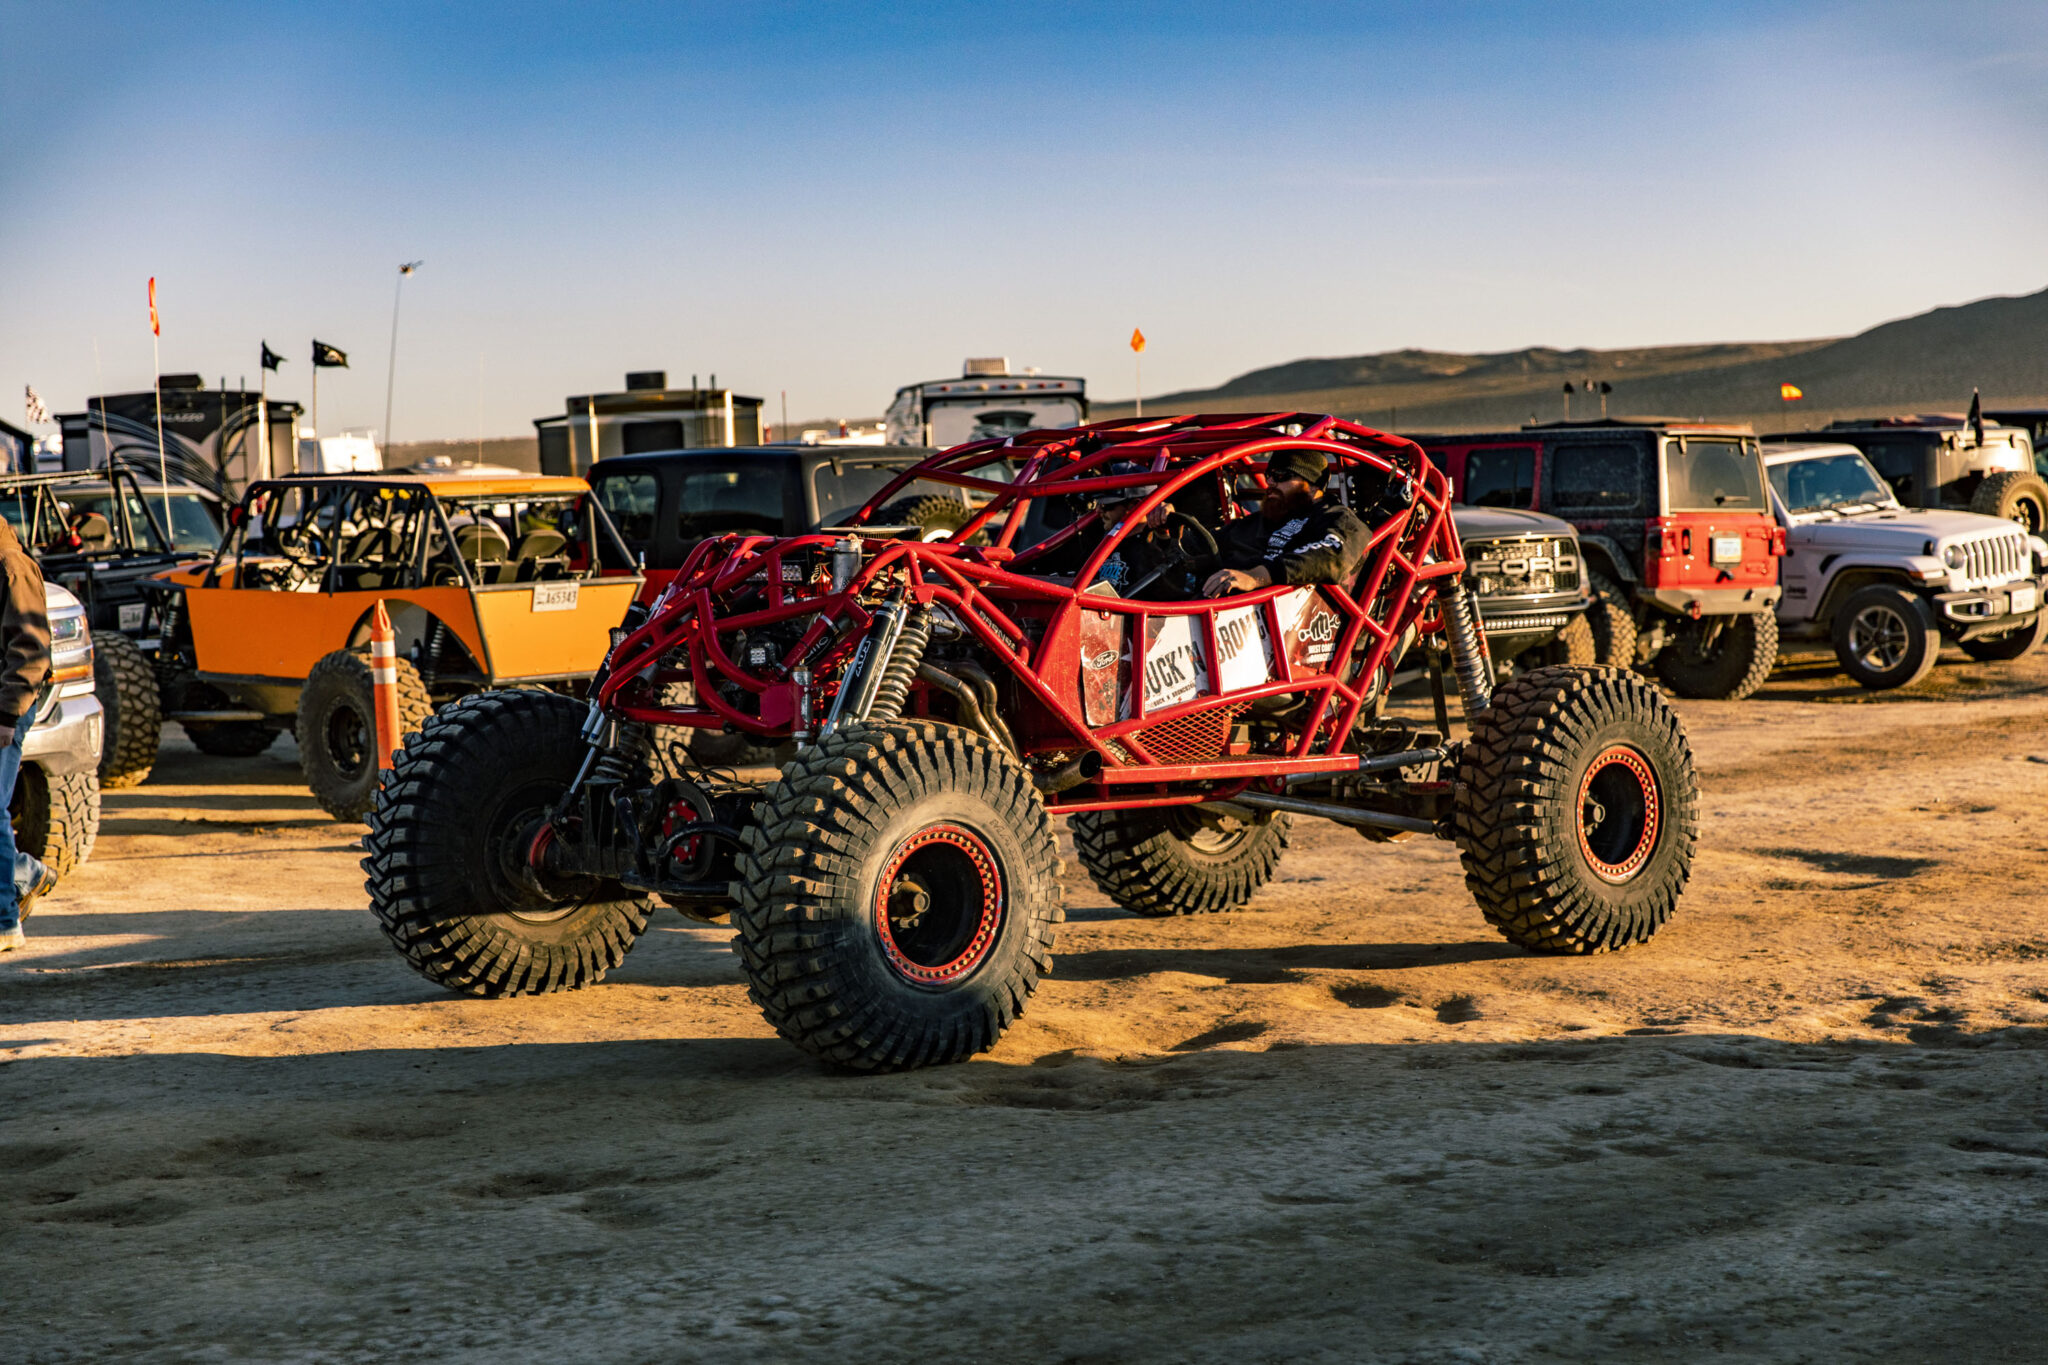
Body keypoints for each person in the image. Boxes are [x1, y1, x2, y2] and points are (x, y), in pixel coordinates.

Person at [1199, 448, 1370, 596]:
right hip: (1219, 609)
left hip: (1275, 618)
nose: (1270, 482)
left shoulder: (1336, 517)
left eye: (1281, 475)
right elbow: (1204, 542)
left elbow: (1333, 555)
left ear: (1312, 484)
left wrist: (1256, 577)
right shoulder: (1262, 520)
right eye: (1269, 475)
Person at [0, 515, 54, 952]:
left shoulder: (12, 567)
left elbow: (30, 648)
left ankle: (4, 923)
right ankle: (22, 871)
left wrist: (6, 716)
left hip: (7, 707)